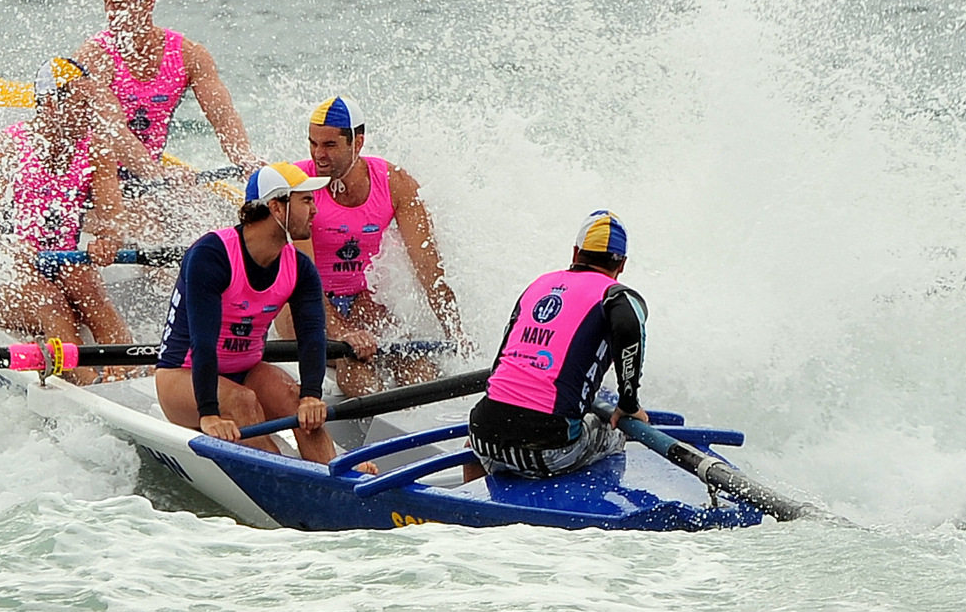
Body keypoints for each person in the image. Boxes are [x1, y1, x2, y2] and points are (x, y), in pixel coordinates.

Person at [154, 162, 345, 463]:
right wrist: (209, 413)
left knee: (295, 401)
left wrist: (311, 395)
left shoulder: (300, 268)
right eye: (306, 200)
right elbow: (203, 342)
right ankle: (290, 483)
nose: (315, 210)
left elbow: (312, 339)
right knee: (243, 402)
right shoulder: (212, 255)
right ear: (277, 207)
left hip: (247, 371)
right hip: (184, 376)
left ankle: (338, 475)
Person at [0, 57, 144, 384]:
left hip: (63, 263)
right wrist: (8, 252)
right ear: (51, 104)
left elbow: (112, 217)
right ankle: (84, 381)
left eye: (90, 103)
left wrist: (108, 241)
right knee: (51, 301)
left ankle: (133, 372)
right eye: (81, 104)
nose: (89, 112)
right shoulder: (7, 148)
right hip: (9, 276)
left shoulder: (95, 149)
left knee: (87, 284)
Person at [290, 96, 466, 396]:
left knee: (417, 367)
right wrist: (342, 332)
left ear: (357, 143)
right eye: (313, 144)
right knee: (356, 369)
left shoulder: (394, 182)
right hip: (304, 302)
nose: (319, 155)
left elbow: (430, 270)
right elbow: (302, 279)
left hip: (362, 299)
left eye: (330, 145)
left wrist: (457, 334)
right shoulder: (299, 185)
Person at [464, 211, 649, 482]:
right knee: (616, 431)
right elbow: (628, 326)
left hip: (483, 434)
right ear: (621, 265)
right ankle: (591, 509)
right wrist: (629, 403)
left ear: (576, 253)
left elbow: (498, 366)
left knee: (476, 442)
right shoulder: (618, 295)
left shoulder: (538, 285)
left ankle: (474, 507)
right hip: (549, 449)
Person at [75, 0, 264, 185]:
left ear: (148, 4)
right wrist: (155, 174)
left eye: (122, 6)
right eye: (109, 4)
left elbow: (223, 116)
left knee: (200, 208)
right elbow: (110, 128)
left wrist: (243, 157)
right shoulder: (95, 57)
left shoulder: (189, 55)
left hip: (148, 171)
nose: (112, 15)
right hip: (94, 172)